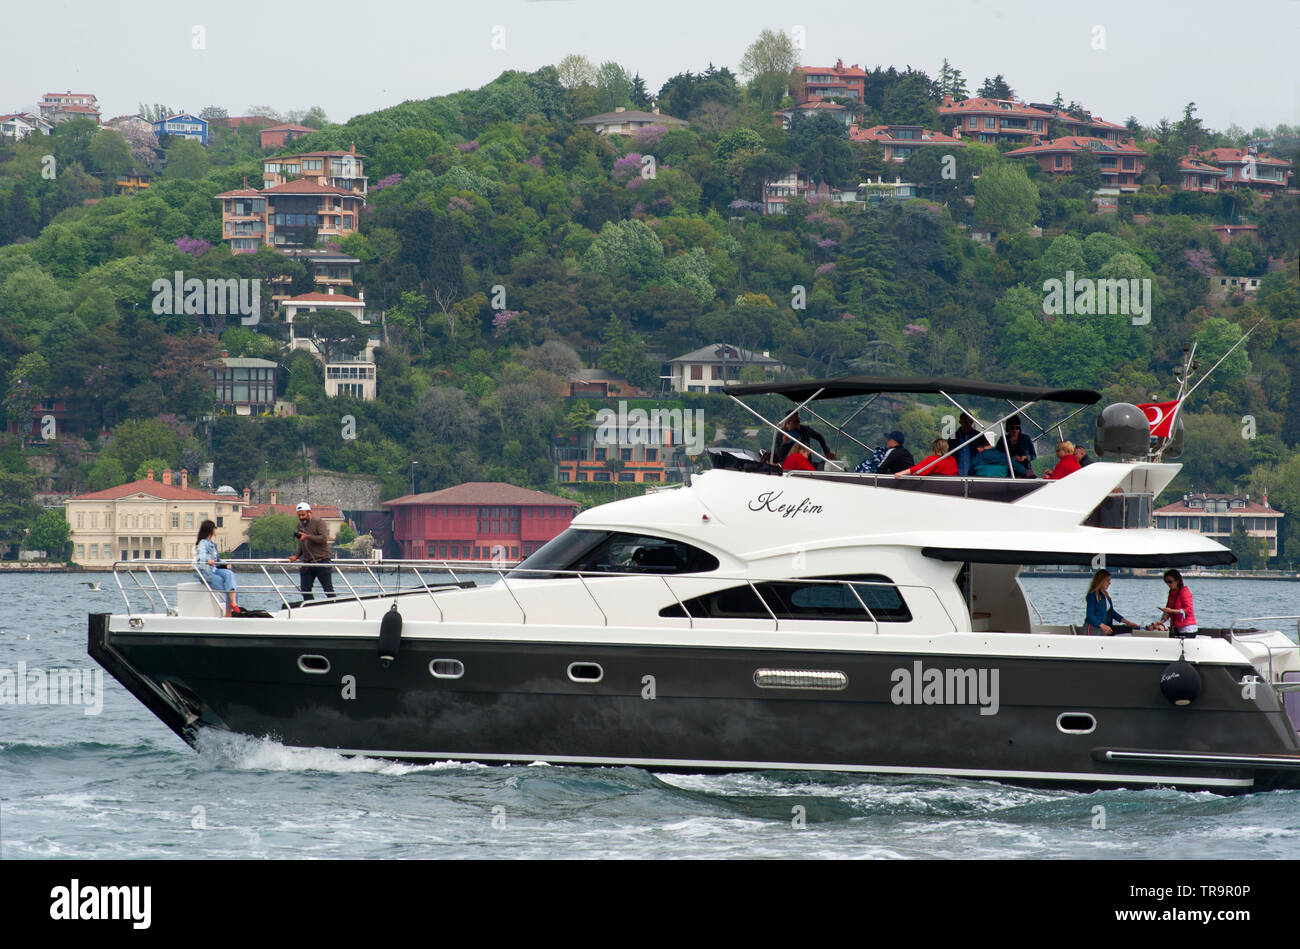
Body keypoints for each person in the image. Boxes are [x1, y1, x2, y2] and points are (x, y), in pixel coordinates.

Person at [287, 501, 335, 600]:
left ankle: (335, 607)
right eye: (299, 515)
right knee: (305, 589)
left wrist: (307, 536)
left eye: (303, 515)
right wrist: (296, 556)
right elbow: (303, 542)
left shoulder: (319, 522)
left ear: (309, 512)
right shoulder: (300, 525)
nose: (301, 517)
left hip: (322, 560)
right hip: (307, 562)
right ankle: (310, 607)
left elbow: (323, 539)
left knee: (328, 589)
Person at [194, 519, 240, 616]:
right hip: (207, 573)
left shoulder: (212, 544)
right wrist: (207, 560)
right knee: (231, 589)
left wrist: (226, 563)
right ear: (210, 530)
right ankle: (229, 612)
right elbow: (201, 556)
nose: (216, 529)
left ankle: (231, 608)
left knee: (229, 574)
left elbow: (217, 560)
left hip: (215, 570)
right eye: (215, 528)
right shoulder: (203, 543)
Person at [1083, 569, 1136, 635]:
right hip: (1093, 628)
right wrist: (1102, 625)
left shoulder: (1105, 595)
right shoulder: (1092, 595)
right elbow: (1090, 615)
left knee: (1129, 630)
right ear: (1101, 581)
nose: (1109, 583)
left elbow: (1112, 612)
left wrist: (1127, 622)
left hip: (1104, 626)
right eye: (1107, 581)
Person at [1158, 569, 1197, 635]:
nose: (1168, 584)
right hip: (1176, 627)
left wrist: (1171, 611)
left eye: (1170, 581)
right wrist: (1161, 622)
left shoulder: (1184, 592)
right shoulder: (1172, 593)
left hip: (1187, 629)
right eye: (1166, 582)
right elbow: (1168, 610)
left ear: (1177, 581)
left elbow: (1188, 609)